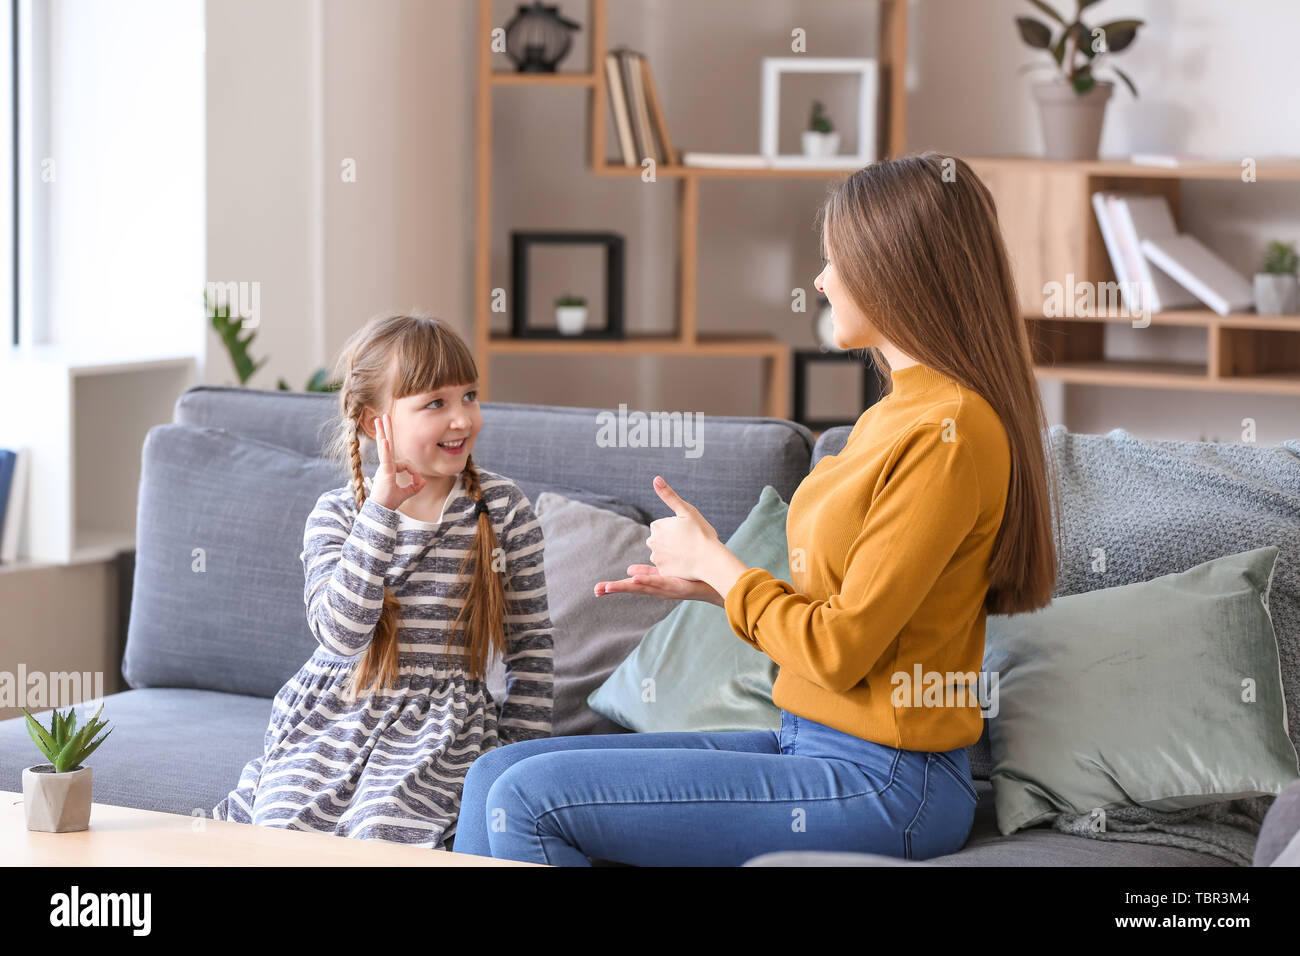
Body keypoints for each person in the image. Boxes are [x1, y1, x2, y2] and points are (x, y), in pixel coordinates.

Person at [452, 152, 1063, 866]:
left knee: (526, 801)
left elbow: (839, 651)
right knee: (495, 772)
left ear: (894, 269)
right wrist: (715, 587)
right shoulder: (894, 417)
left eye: (835, 260)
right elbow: (835, 611)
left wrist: (723, 568)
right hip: (811, 740)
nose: (821, 280)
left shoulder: (949, 432)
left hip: (890, 779)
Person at [212, 312, 554, 850]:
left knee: (387, 832)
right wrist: (381, 512)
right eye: (435, 404)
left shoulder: (503, 509)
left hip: (441, 729)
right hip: (330, 718)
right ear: (377, 422)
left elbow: (530, 649)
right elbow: (342, 635)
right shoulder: (337, 515)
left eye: (469, 396)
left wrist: (518, 758)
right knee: (282, 832)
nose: (462, 418)